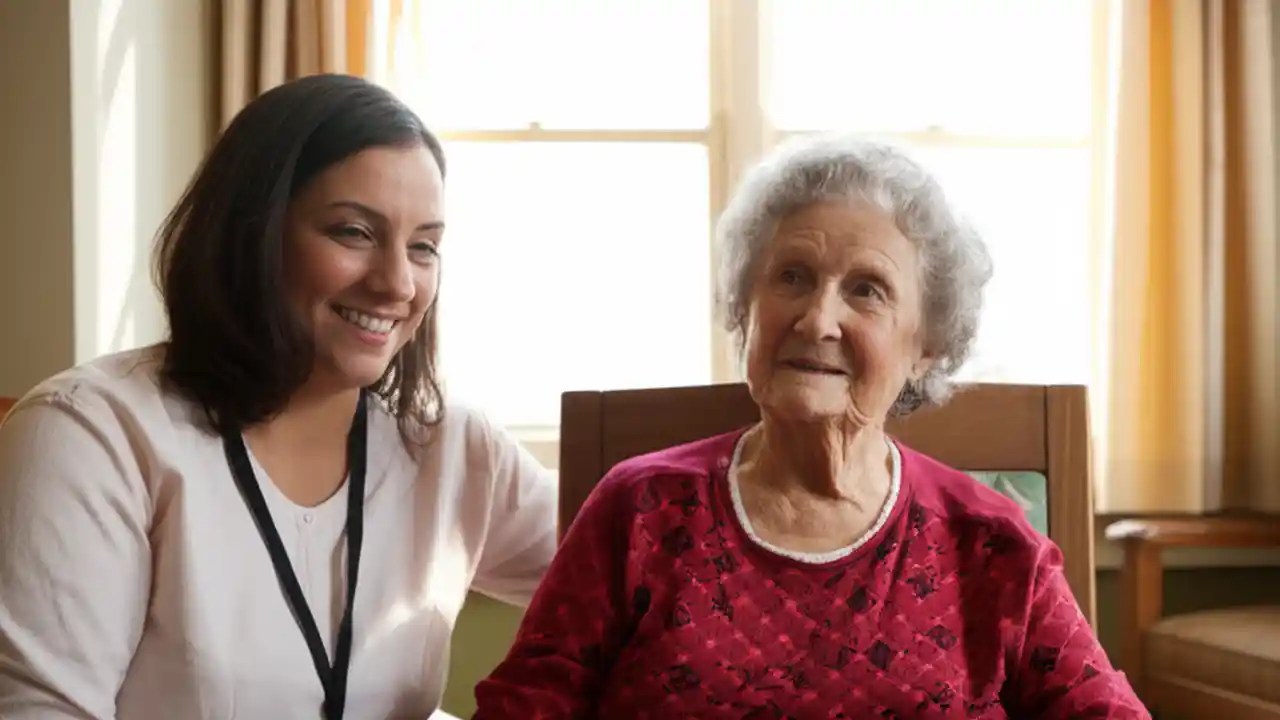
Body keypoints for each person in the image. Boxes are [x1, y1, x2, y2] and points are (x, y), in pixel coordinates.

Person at [473, 135, 1149, 719]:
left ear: (927, 346)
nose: (818, 320)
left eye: (867, 290)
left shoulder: (993, 545)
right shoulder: (641, 509)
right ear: (746, 309)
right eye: (791, 277)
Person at [0, 74, 557, 720]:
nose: (398, 283)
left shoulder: (456, 449)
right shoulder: (90, 433)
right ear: (254, 231)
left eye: (424, 246)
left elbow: (653, 562)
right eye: (353, 232)